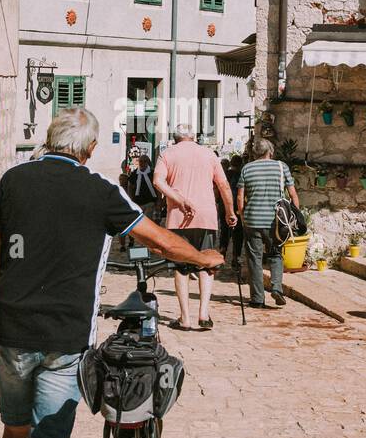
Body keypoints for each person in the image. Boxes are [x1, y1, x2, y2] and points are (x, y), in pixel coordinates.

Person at [0, 107, 222, 438]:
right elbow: (157, 238)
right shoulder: (99, 190)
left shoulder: (12, 181)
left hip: (9, 332)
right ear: (90, 149)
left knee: (14, 429)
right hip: (65, 338)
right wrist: (203, 258)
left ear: (49, 140)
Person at [153, 124, 236, 331]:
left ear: (175, 138)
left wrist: (177, 198)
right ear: (194, 137)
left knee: (181, 267)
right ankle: (204, 314)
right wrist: (230, 212)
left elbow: (157, 181)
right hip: (206, 215)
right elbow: (224, 185)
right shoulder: (209, 154)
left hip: (178, 218)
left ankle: (185, 318)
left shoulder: (167, 154)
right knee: (207, 263)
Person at [237, 139, 301, 308]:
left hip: (252, 219)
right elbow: (293, 195)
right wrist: (294, 218)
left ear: (254, 152)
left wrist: (242, 216)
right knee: (275, 254)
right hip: (276, 220)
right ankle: (277, 288)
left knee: (254, 259)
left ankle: (257, 299)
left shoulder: (247, 168)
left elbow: (239, 197)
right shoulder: (282, 167)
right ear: (270, 151)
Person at [127, 152, 159, 220]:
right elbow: (130, 187)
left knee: (148, 220)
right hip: (137, 202)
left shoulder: (152, 173)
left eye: (144, 161)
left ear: (148, 162)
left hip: (150, 201)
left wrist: (159, 202)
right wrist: (131, 200)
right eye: (141, 161)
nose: (142, 163)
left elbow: (157, 187)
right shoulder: (134, 174)